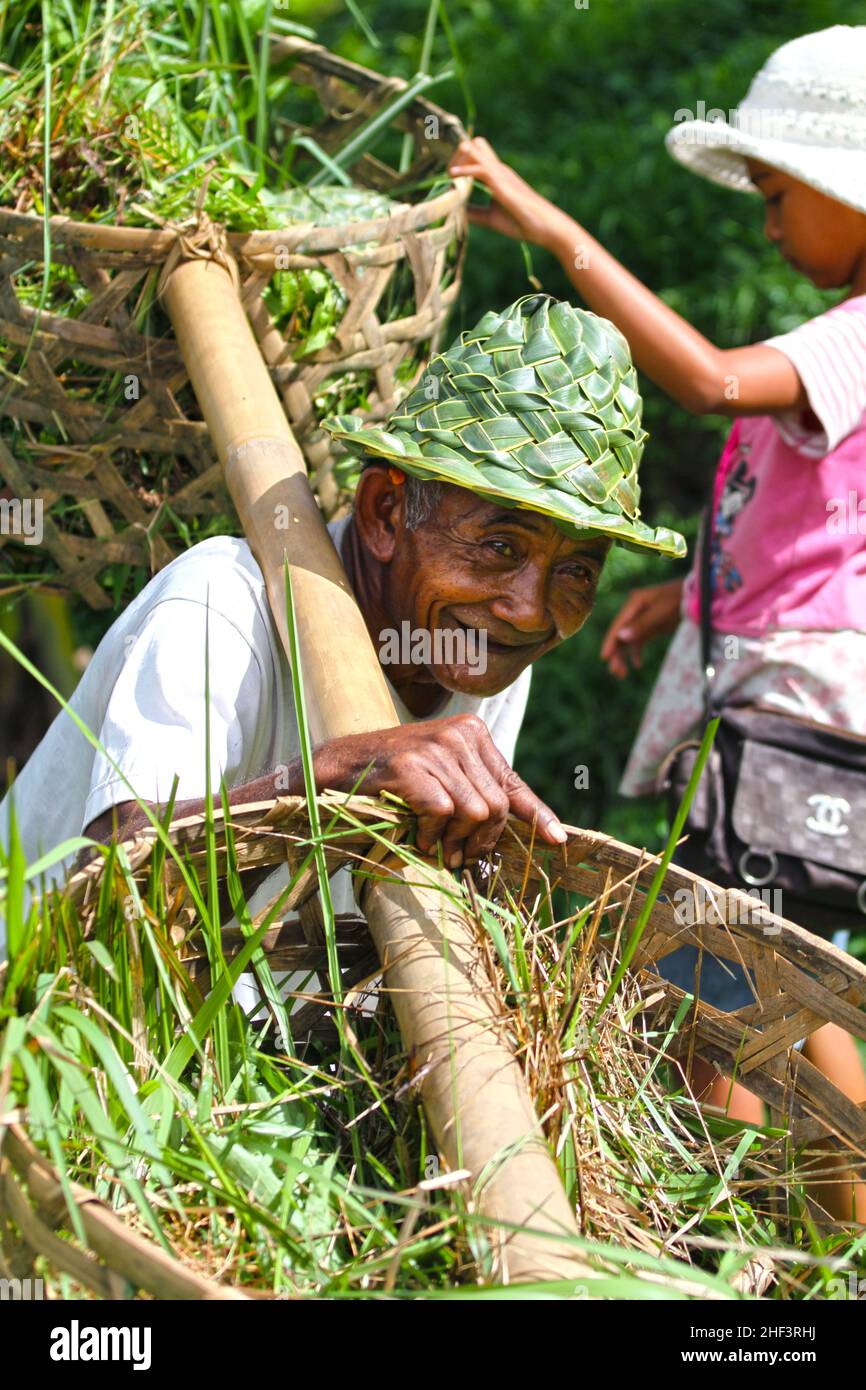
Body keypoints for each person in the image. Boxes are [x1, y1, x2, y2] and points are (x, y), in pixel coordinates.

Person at [449, 25, 866, 1223]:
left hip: (796, 715)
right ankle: (762, 1239)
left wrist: (554, 232)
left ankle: (796, 1237)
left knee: (727, 960)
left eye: (779, 193)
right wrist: (681, 599)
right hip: (776, 696)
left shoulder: (849, 333)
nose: (767, 220)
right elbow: (810, 536)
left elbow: (704, 379)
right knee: (727, 965)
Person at [0, 293, 682, 976]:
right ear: (385, 511)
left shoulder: (485, 651)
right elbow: (115, 868)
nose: (530, 610)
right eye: (500, 547)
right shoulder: (218, 605)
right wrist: (319, 779)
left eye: (576, 572)